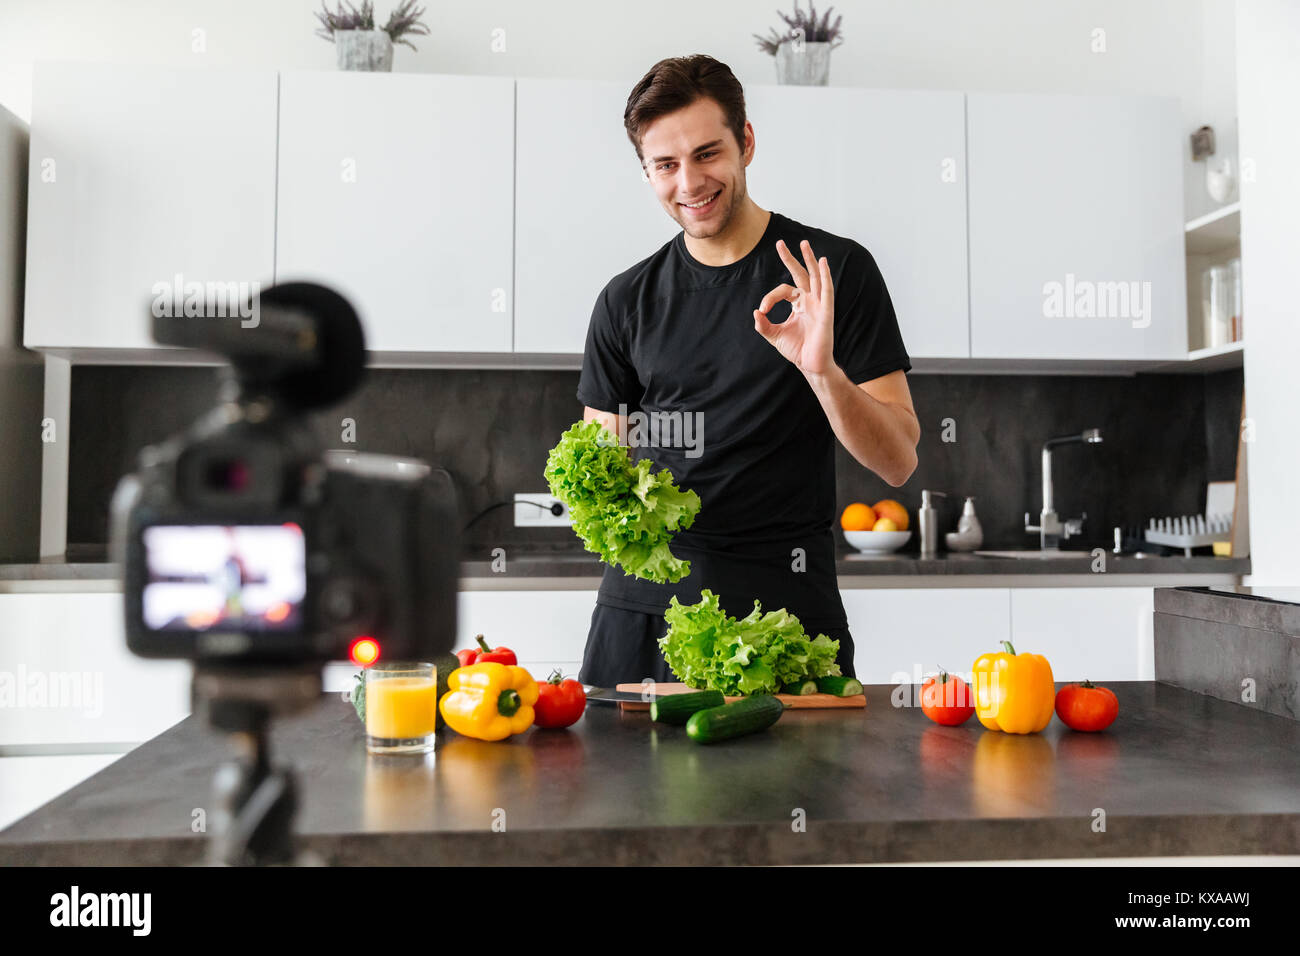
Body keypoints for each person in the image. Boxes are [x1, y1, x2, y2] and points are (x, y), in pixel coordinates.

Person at [576, 54, 920, 687]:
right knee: (615, 789)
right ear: (647, 171)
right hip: (646, 617)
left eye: (708, 154)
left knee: (790, 791)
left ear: (747, 143)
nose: (689, 182)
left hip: (785, 613)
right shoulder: (624, 301)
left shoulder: (834, 274)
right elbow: (603, 467)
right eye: (666, 165)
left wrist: (822, 374)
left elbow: (898, 460)